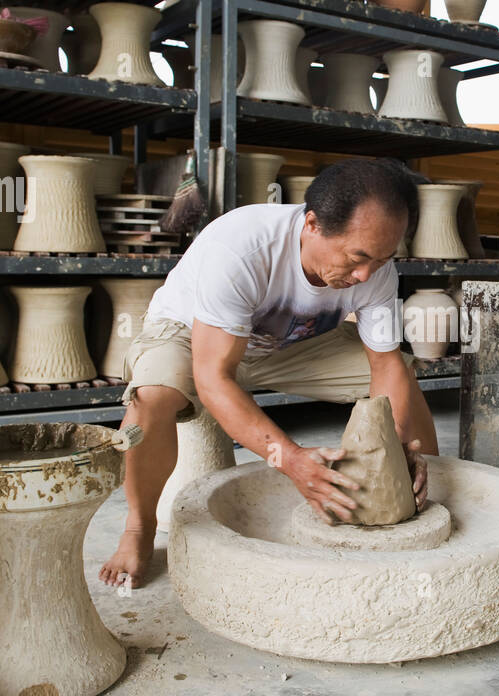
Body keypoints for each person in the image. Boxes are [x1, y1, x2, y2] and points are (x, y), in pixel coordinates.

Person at [99, 158, 439, 588]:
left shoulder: (375, 267)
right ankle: (138, 527)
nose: (365, 275)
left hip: (287, 346)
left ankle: (423, 492)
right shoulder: (242, 246)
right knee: (151, 400)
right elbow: (213, 378)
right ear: (312, 224)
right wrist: (288, 459)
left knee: (404, 372)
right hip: (194, 339)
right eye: (358, 258)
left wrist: (400, 446)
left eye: (383, 258)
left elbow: (385, 364)